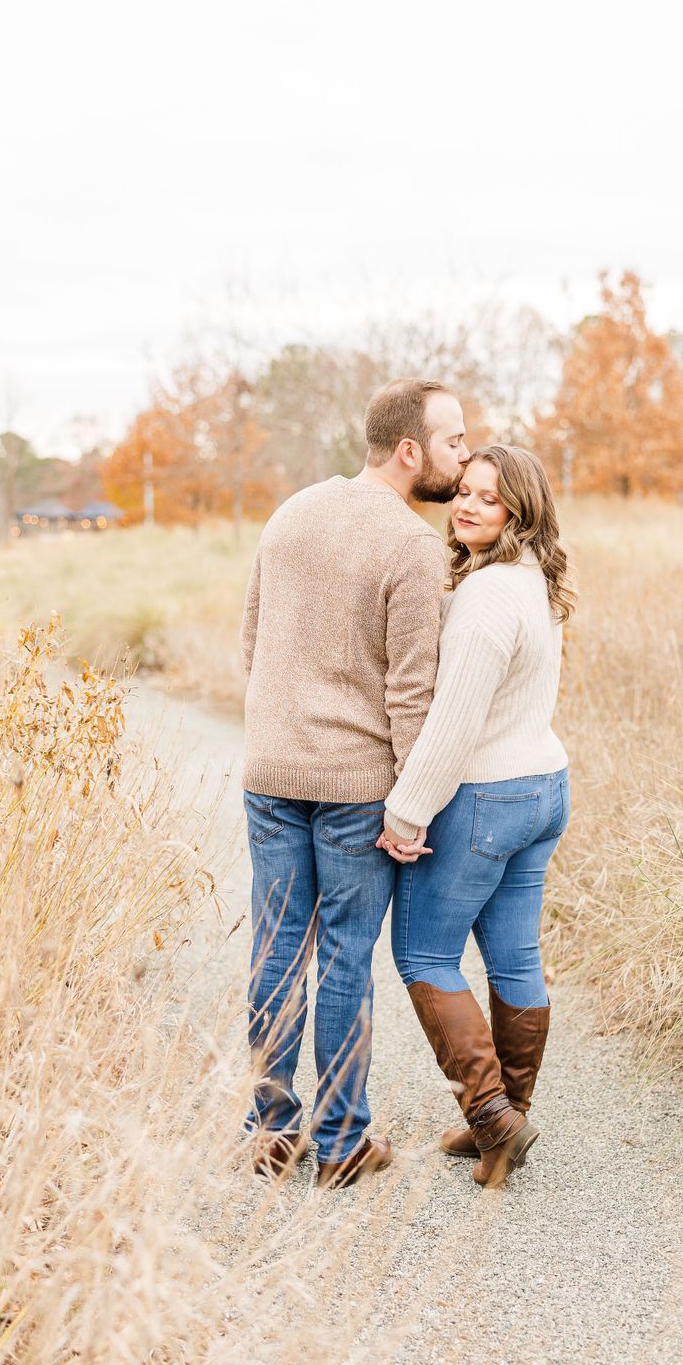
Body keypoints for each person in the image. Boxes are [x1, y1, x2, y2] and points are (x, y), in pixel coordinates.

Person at [239, 379, 469, 1187]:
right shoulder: (410, 544)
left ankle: (268, 1132)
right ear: (410, 450)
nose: (464, 457)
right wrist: (413, 805)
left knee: (276, 949)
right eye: (453, 442)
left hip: (269, 772)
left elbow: (252, 645)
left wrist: (279, 729)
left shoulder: (290, 512)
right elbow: (413, 693)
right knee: (341, 956)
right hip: (353, 787)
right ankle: (339, 1145)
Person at [379, 445, 575, 1188]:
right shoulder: (530, 581)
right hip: (543, 788)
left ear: (518, 511)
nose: (466, 506)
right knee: (515, 957)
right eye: (462, 491)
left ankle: (494, 1116)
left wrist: (405, 814)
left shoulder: (488, 600)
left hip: (491, 794)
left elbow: (455, 727)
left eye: (488, 499)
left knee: (425, 954)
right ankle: (505, 1124)